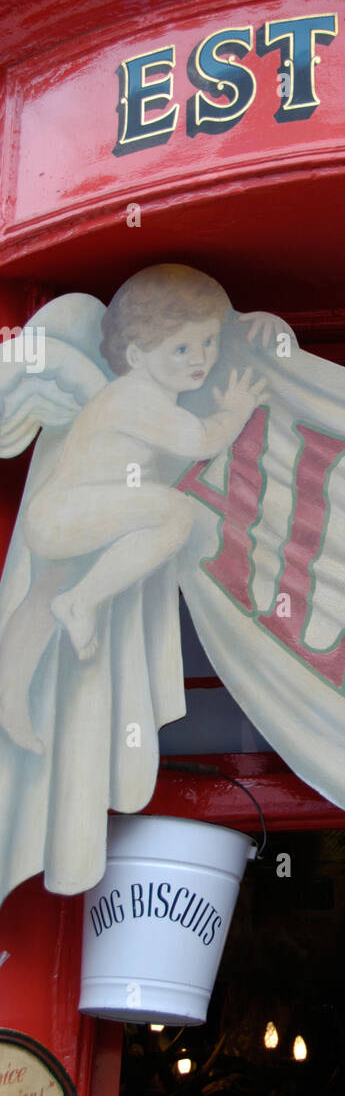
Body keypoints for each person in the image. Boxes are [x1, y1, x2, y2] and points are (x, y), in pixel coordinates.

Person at [0, 264, 279, 753]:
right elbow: (202, 439)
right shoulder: (136, 398)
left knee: (38, 602)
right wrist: (235, 406)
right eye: (182, 349)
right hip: (70, 515)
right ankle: (82, 601)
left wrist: (248, 325)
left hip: (72, 517)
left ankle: (12, 706)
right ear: (135, 354)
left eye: (210, 342)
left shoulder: (142, 394)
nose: (202, 360)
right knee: (174, 514)